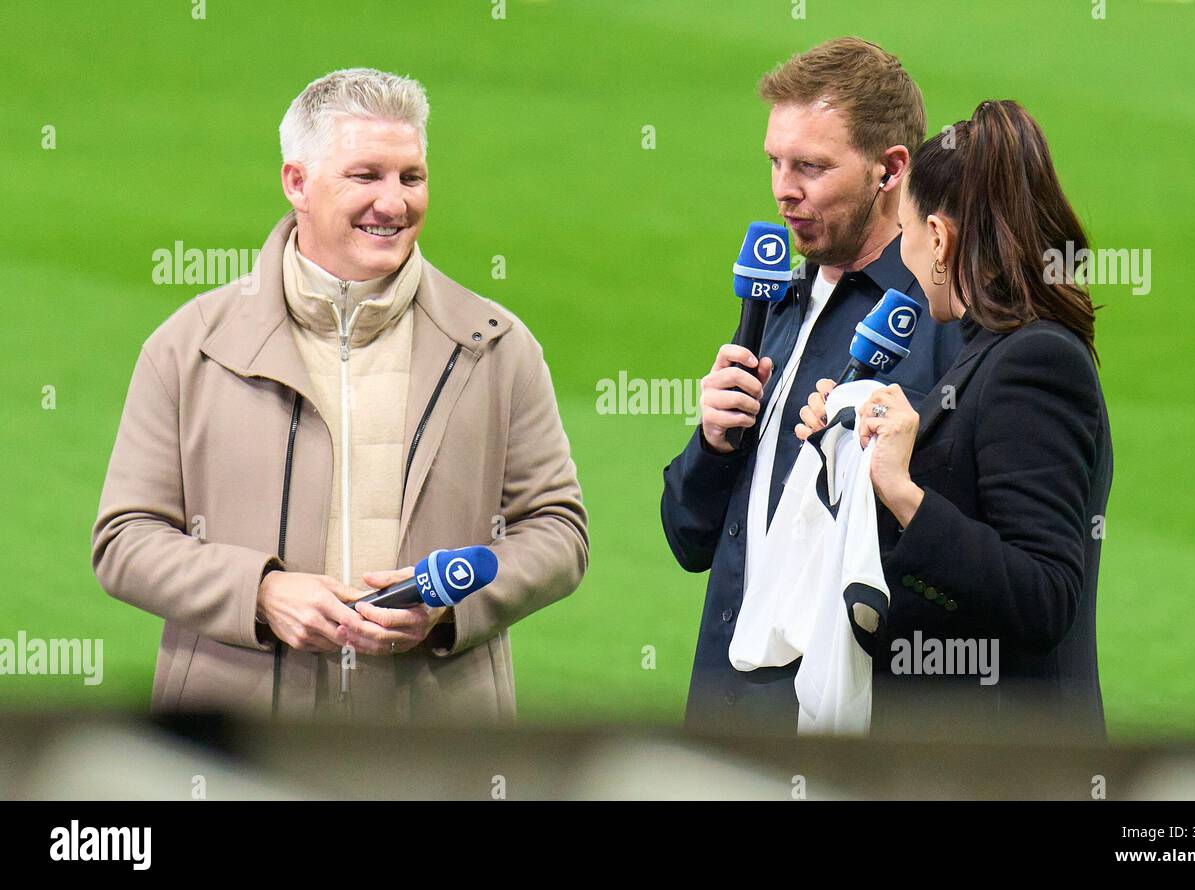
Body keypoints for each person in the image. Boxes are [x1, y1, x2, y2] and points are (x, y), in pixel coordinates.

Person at [91, 68, 588, 724]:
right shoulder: (190, 346)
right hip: (238, 738)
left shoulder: (494, 345)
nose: (394, 202)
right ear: (297, 182)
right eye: (366, 176)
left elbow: (557, 533)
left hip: (436, 741)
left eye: (411, 177)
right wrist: (261, 594)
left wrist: (451, 607)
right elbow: (125, 539)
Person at [661, 38, 965, 734]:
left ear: (890, 171)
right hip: (725, 709)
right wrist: (712, 442)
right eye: (775, 160)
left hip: (846, 721)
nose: (782, 188)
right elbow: (690, 536)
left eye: (811, 167)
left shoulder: (937, 321)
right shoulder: (776, 307)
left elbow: (955, 550)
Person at [795, 99, 1112, 742]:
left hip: (1008, 768)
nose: (906, 259)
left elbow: (1043, 595)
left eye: (908, 233)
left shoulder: (1035, 362)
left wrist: (904, 494)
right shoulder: (992, 352)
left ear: (939, 237)